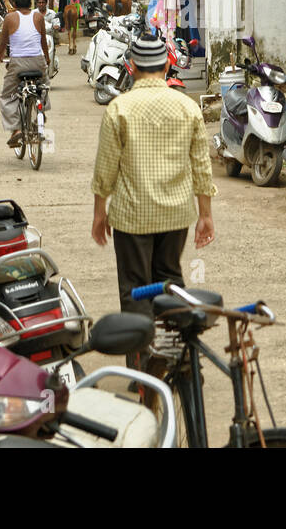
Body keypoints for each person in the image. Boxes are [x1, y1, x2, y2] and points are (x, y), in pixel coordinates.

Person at [91, 35, 216, 327]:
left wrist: (99, 212)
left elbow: (105, 168)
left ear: (131, 66)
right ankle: (180, 360)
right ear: (167, 64)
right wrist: (206, 215)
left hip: (131, 216)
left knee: (135, 291)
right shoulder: (187, 107)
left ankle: (142, 362)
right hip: (176, 214)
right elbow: (201, 166)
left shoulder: (119, 108)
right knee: (170, 281)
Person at [0, 0, 48, 147]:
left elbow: (3, 42)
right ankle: (41, 111)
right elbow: (43, 41)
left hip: (18, 63)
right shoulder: (39, 16)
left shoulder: (10, 18)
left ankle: (16, 129)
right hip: (38, 61)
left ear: (15, 5)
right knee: (43, 86)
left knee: (7, 95)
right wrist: (47, 58)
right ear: (31, 3)